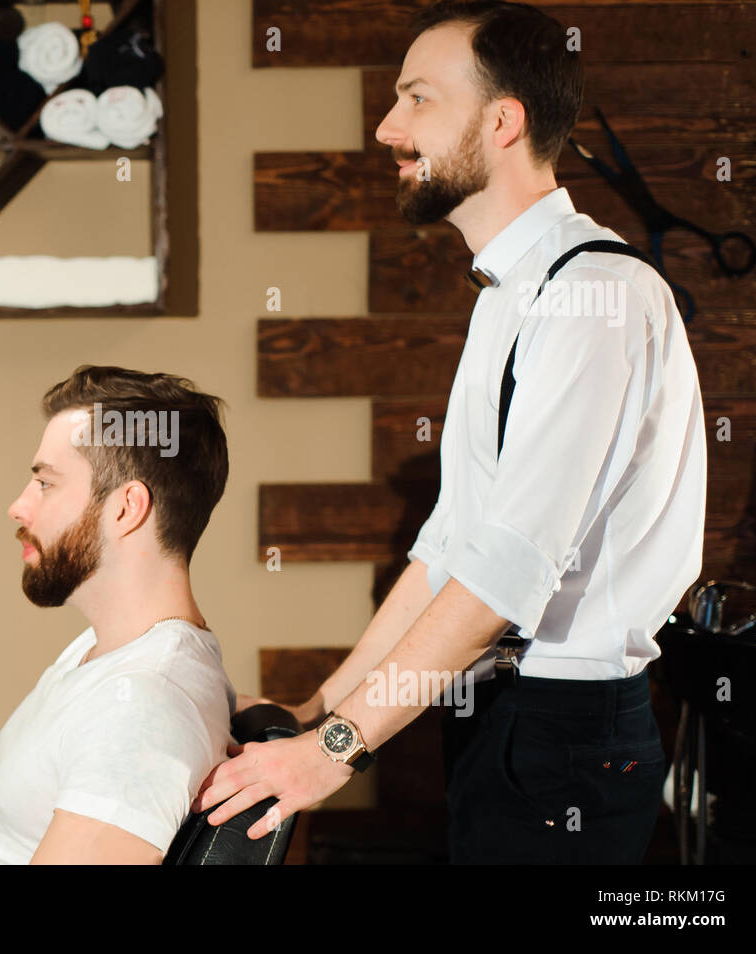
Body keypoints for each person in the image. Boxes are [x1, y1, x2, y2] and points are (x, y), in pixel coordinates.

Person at [192, 0, 706, 864]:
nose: (388, 127)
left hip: (566, 739)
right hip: (501, 723)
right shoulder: (512, 290)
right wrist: (326, 706)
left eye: (418, 99)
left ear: (503, 121)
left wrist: (334, 752)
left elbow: (506, 571)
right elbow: (451, 547)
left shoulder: (595, 296)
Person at [0, 365, 237, 864]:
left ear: (125, 509)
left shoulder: (141, 707)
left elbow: (146, 725)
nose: (18, 507)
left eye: (46, 484)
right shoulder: (113, 656)